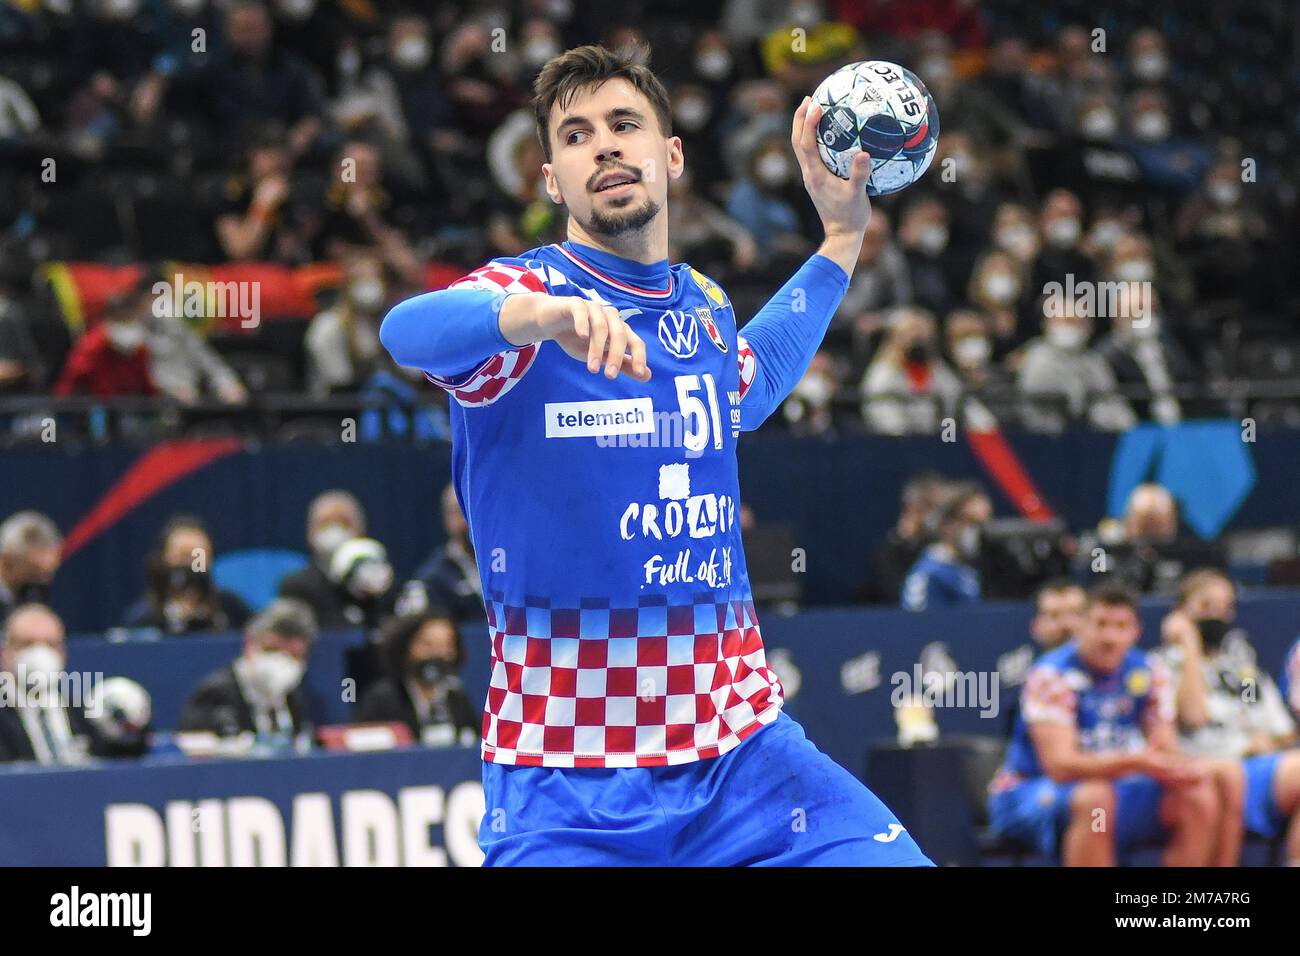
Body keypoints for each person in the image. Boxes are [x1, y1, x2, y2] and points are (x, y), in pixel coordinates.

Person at [380, 43, 930, 866]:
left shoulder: (701, 304)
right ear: (550, 180)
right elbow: (404, 332)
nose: (602, 145)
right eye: (575, 135)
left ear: (670, 156)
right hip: (567, 788)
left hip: (748, 763)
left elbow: (747, 384)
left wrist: (842, 238)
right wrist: (537, 317)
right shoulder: (516, 302)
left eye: (624, 124)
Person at [988, 584, 1223, 866]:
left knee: (1197, 793)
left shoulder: (1148, 670)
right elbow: (1061, 767)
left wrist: (1172, 765)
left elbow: (1164, 747)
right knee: (1095, 799)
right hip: (1032, 790)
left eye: (1121, 626)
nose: (1110, 637)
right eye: (1100, 624)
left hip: (1115, 785)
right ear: (1082, 626)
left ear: (1136, 631)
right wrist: (1138, 761)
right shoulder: (1051, 674)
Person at [1157, 569, 1300, 865]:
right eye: (1205, 606)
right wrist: (1188, 644)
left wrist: (1267, 743)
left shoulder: (1243, 670)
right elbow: (1194, 715)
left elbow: (1283, 731)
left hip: (1254, 771)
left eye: (1224, 608)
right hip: (1200, 770)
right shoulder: (1161, 666)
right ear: (1180, 612)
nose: (1216, 616)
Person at [178, 598, 317, 740]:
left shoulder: (296, 697)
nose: (280, 663)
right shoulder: (214, 695)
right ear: (249, 644)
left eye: (293, 656)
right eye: (272, 650)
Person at [0, 604, 108, 764]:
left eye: (50, 644)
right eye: (27, 644)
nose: (40, 654)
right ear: (5, 653)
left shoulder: (81, 711)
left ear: (63, 652)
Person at [357, 611, 478, 746]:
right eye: (427, 645)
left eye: (446, 646)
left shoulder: (457, 696)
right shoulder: (382, 699)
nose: (437, 654)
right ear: (406, 647)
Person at [122, 515, 250, 635]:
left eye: (199, 556)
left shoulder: (229, 607)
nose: (193, 564)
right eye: (184, 556)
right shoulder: (145, 617)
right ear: (164, 559)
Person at [278, 489, 366, 625]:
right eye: (325, 523)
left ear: (360, 531)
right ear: (311, 532)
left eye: (344, 522)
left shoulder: (377, 584)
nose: (335, 530)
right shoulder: (295, 586)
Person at [900, 482, 989, 611]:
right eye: (969, 522)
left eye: (980, 524)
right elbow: (918, 627)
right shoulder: (928, 575)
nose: (975, 530)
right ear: (946, 525)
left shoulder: (970, 570)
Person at [406, 483, 483, 623]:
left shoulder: (510, 566)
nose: (468, 521)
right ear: (447, 519)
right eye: (460, 512)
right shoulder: (433, 577)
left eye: (475, 510)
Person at [0, 511, 63, 621]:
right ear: (7, 561)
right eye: (32, 573)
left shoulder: (32, 593)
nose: (42, 583)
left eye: (45, 574)